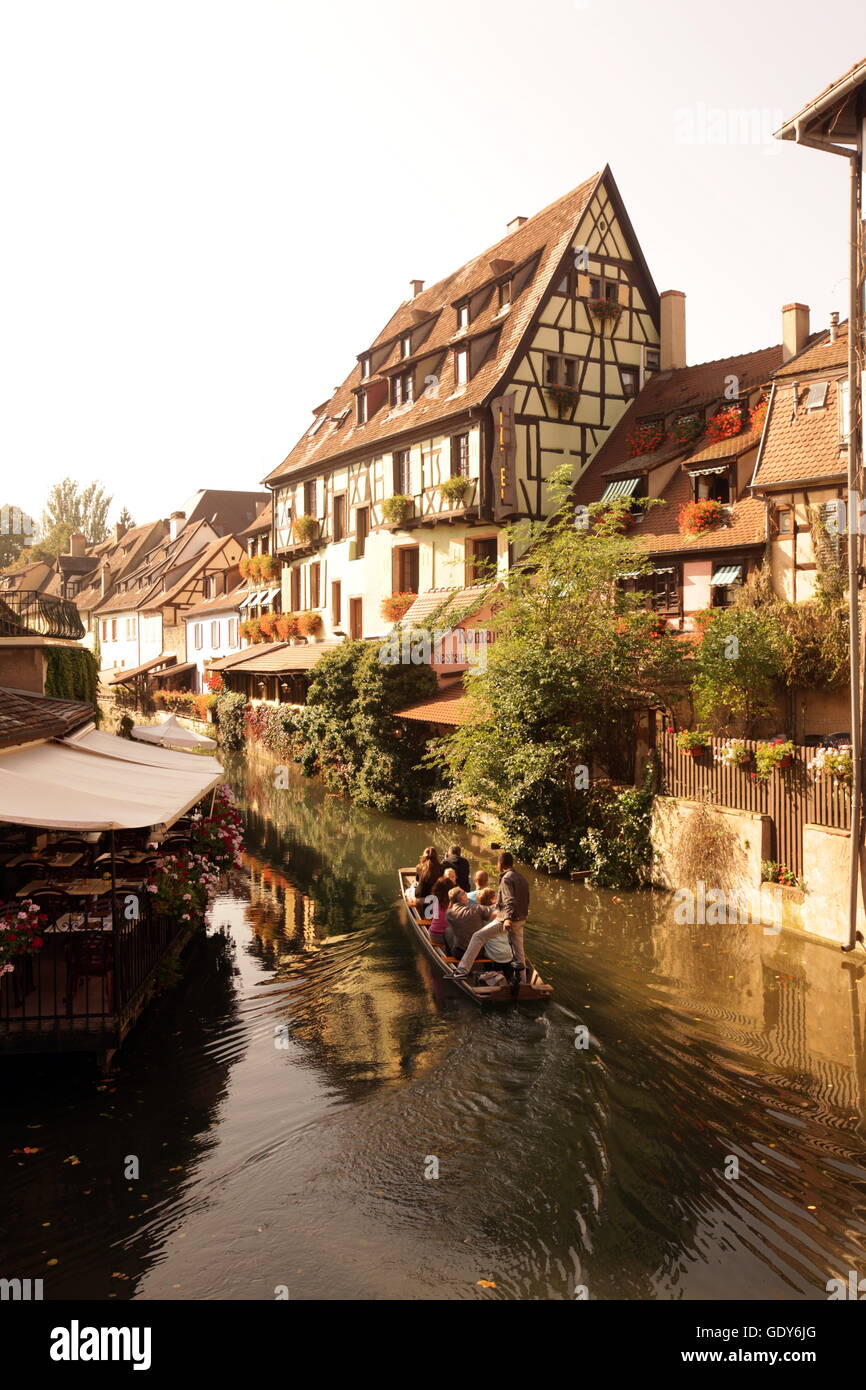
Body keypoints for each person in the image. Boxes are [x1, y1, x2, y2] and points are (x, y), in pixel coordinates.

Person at [453, 851, 529, 979]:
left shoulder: (506, 878)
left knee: (478, 937)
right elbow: (525, 899)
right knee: (519, 952)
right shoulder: (522, 878)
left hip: (507, 919)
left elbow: (509, 900)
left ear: (500, 864)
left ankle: (462, 970)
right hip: (521, 919)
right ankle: (523, 982)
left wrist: (507, 918)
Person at [444, 886, 496, 958]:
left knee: (448, 931)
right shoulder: (477, 908)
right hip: (478, 953)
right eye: (464, 893)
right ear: (461, 897)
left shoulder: (449, 913)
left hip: (459, 954)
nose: (466, 893)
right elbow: (494, 915)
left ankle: (448, 956)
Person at [424, 876, 452, 950]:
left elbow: (428, 916)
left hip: (433, 934)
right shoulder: (452, 902)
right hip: (446, 937)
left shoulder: (434, 899)